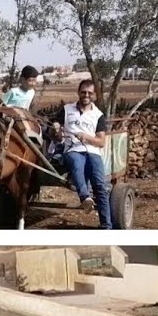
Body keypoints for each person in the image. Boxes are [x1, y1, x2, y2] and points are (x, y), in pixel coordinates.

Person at [48, 79, 112, 229]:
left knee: (100, 187)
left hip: (93, 152)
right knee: (77, 164)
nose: (86, 95)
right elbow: (54, 133)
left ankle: (106, 227)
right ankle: (85, 197)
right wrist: (56, 128)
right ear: (78, 92)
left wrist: (86, 136)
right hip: (73, 149)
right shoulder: (66, 109)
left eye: (90, 93)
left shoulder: (98, 115)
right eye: (83, 92)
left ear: (94, 95)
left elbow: (101, 142)